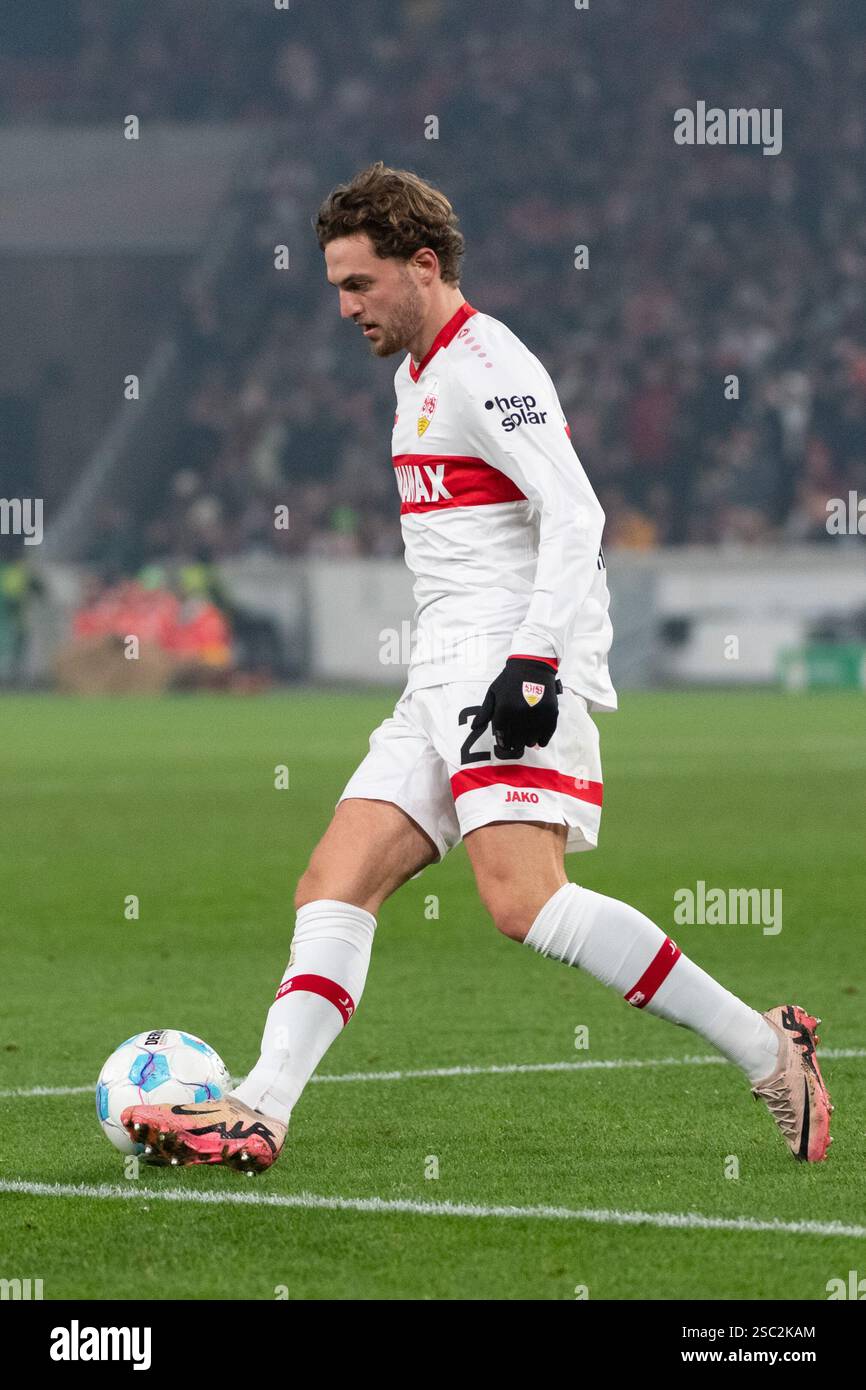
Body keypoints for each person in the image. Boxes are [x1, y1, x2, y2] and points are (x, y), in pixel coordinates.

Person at [123, 163, 832, 1173]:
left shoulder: (484, 363)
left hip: (506, 664)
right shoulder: (414, 376)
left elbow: (575, 511)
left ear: (422, 266)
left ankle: (767, 1048)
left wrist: (535, 664)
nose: (342, 307)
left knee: (521, 901)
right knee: (333, 879)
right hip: (440, 674)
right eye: (333, 285)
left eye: (358, 283)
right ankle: (257, 1110)